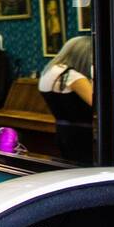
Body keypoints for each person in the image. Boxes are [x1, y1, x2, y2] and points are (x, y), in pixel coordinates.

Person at [38, 35, 94, 164]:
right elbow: (98, 104)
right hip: (82, 135)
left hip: (62, 131)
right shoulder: (73, 76)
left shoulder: (50, 71)